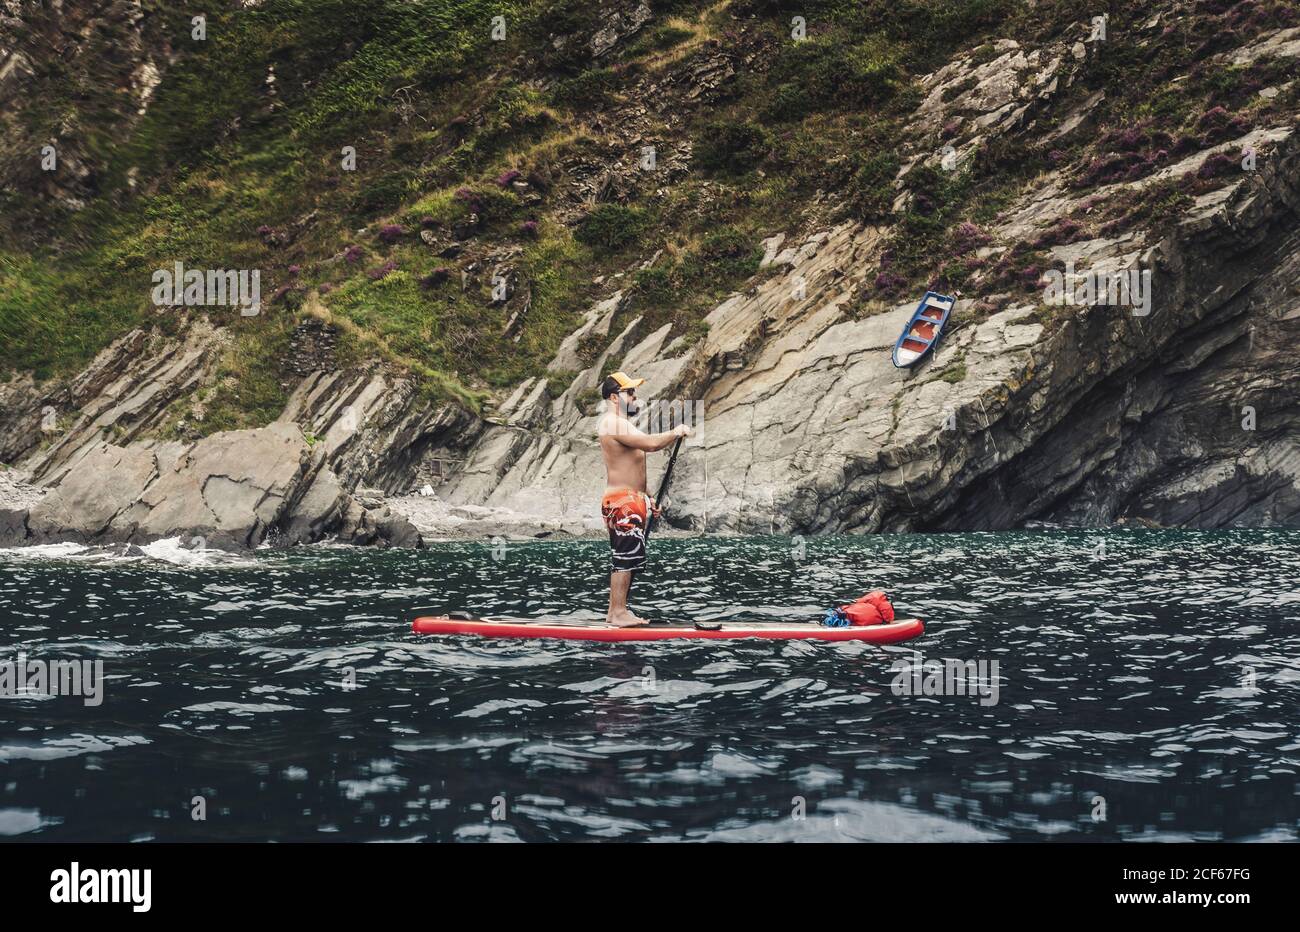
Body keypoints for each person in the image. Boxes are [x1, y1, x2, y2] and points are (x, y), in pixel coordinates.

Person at [596, 371, 692, 626]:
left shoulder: (621, 423)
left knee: (629, 557)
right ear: (615, 398)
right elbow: (650, 445)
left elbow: (633, 464)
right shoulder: (612, 422)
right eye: (630, 392)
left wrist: (648, 496)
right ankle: (617, 613)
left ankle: (616, 611)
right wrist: (676, 432)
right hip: (622, 502)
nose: (635, 396)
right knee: (625, 557)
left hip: (631, 500)